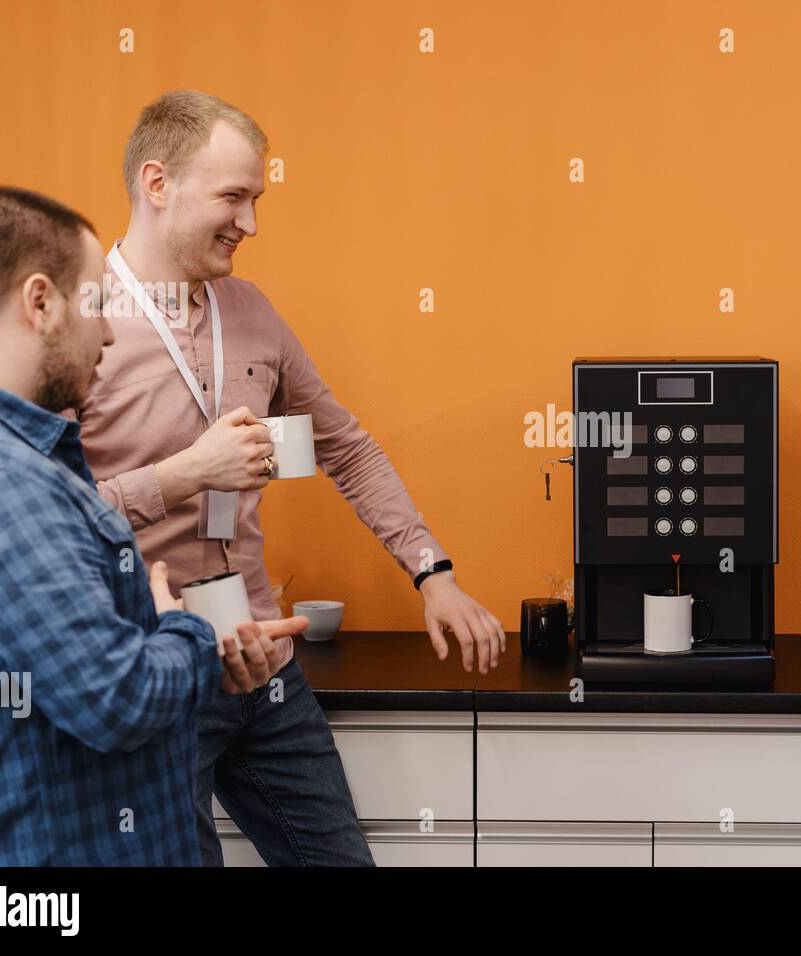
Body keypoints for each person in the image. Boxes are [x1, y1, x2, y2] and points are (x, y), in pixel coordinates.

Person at [76, 89, 507, 866]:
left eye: (257, 198)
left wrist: (431, 571)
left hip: (264, 668)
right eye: (233, 196)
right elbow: (48, 519)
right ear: (157, 182)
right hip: (150, 677)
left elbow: (344, 447)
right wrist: (183, 475)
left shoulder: (252, 314)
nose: (251, 222)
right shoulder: (80, 327)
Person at [0, 186, 301, 865]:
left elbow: (56, 666)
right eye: (97, 304)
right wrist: (185, 631)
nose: (107, 332)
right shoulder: (3, 484)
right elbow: (118, 701)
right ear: (38, 302)